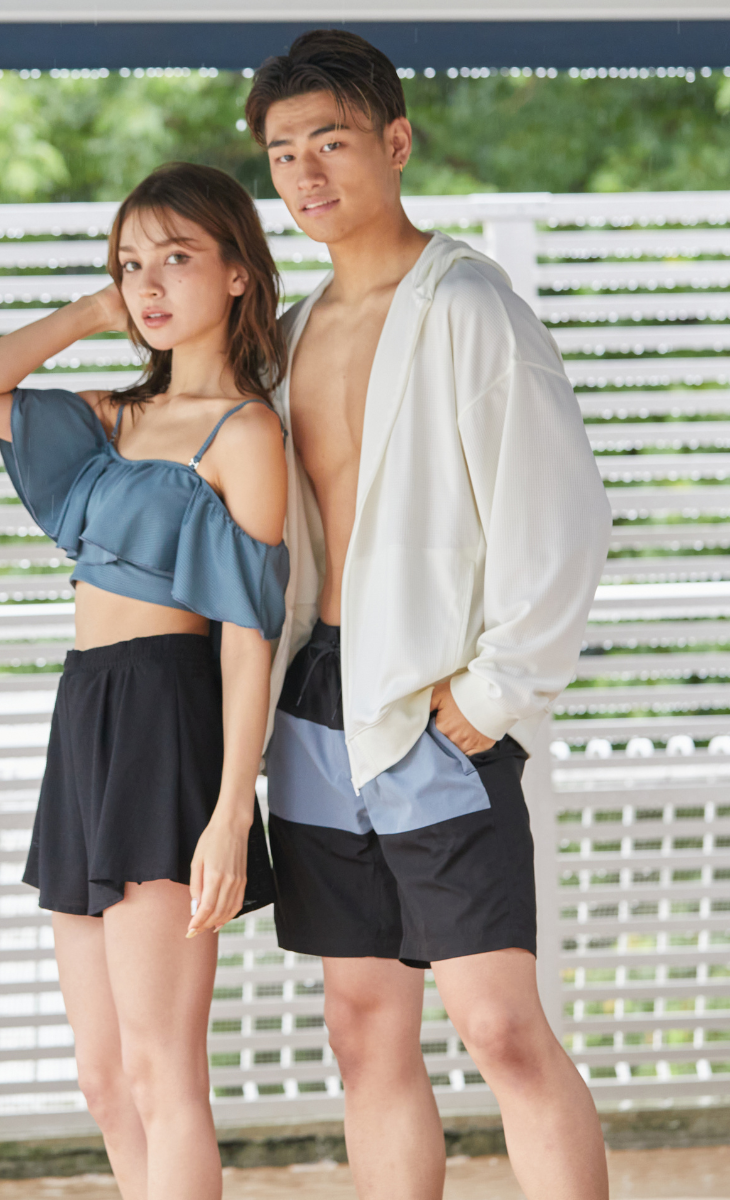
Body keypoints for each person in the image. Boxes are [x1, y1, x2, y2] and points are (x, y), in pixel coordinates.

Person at [246, 31, 613, 1200]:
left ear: (397, 142)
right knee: (363, 1028)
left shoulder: (469, 306)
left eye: (332, 142)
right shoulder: (290, 336)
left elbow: (562, 516)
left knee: (499, 1025)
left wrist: (492, 696)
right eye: (283, 153)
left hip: (433, 703)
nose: (306, 174)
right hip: (316, 702)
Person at [0, 162, 288, 1200]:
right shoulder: (108, 417)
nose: (150, 283)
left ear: (238, 272)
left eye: (176, 257)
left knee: (160, 1071)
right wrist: (97, 310)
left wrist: (232, 813)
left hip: (168, 717)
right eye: (132, 264)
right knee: (104, 1080)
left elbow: (248, 638)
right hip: (85, 712)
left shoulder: (246, 431)